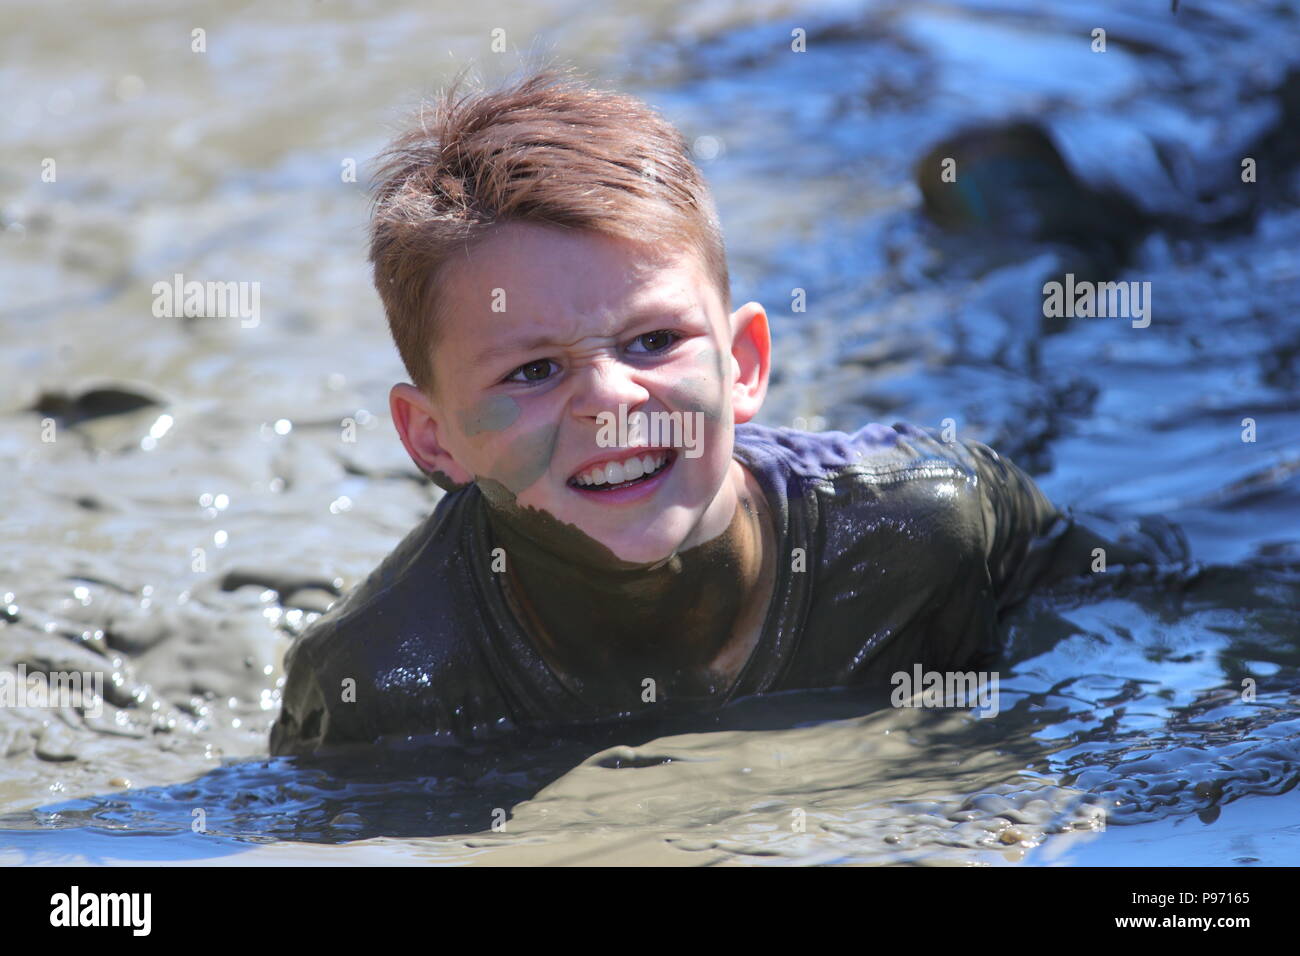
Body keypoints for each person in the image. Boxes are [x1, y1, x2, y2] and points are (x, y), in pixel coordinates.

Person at [268, 65, 1184, 757]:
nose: (612, 400)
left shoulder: (921, 529)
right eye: (534, 369)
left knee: (1060, 337)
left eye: (653, 342)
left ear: (745, 364)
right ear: (433, 438)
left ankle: (1029, 213)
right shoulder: (381, 683)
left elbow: (1166, 616)